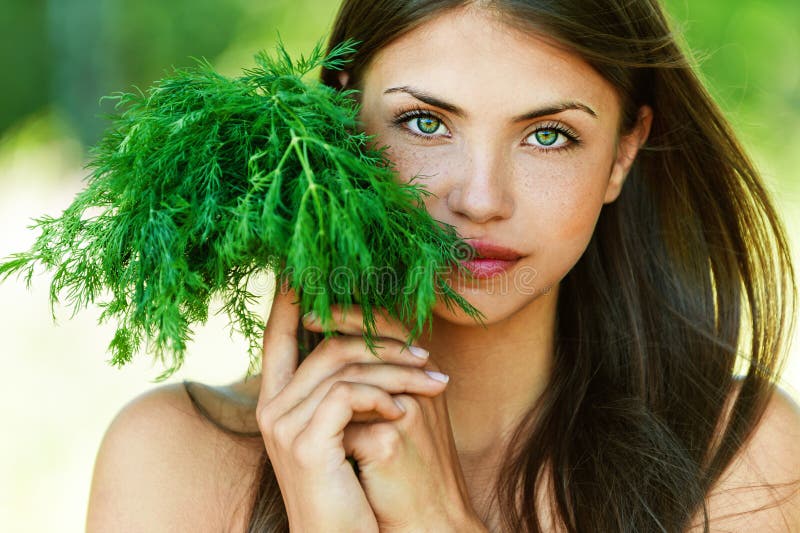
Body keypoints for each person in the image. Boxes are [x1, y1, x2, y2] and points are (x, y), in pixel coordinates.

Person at [86, 1, 800, 531]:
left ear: (622, 150)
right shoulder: (175, 461)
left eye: (549, 135)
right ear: (341, 120)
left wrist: (438, 520)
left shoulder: (737, 457)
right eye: (425, 123)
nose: (481, 198)